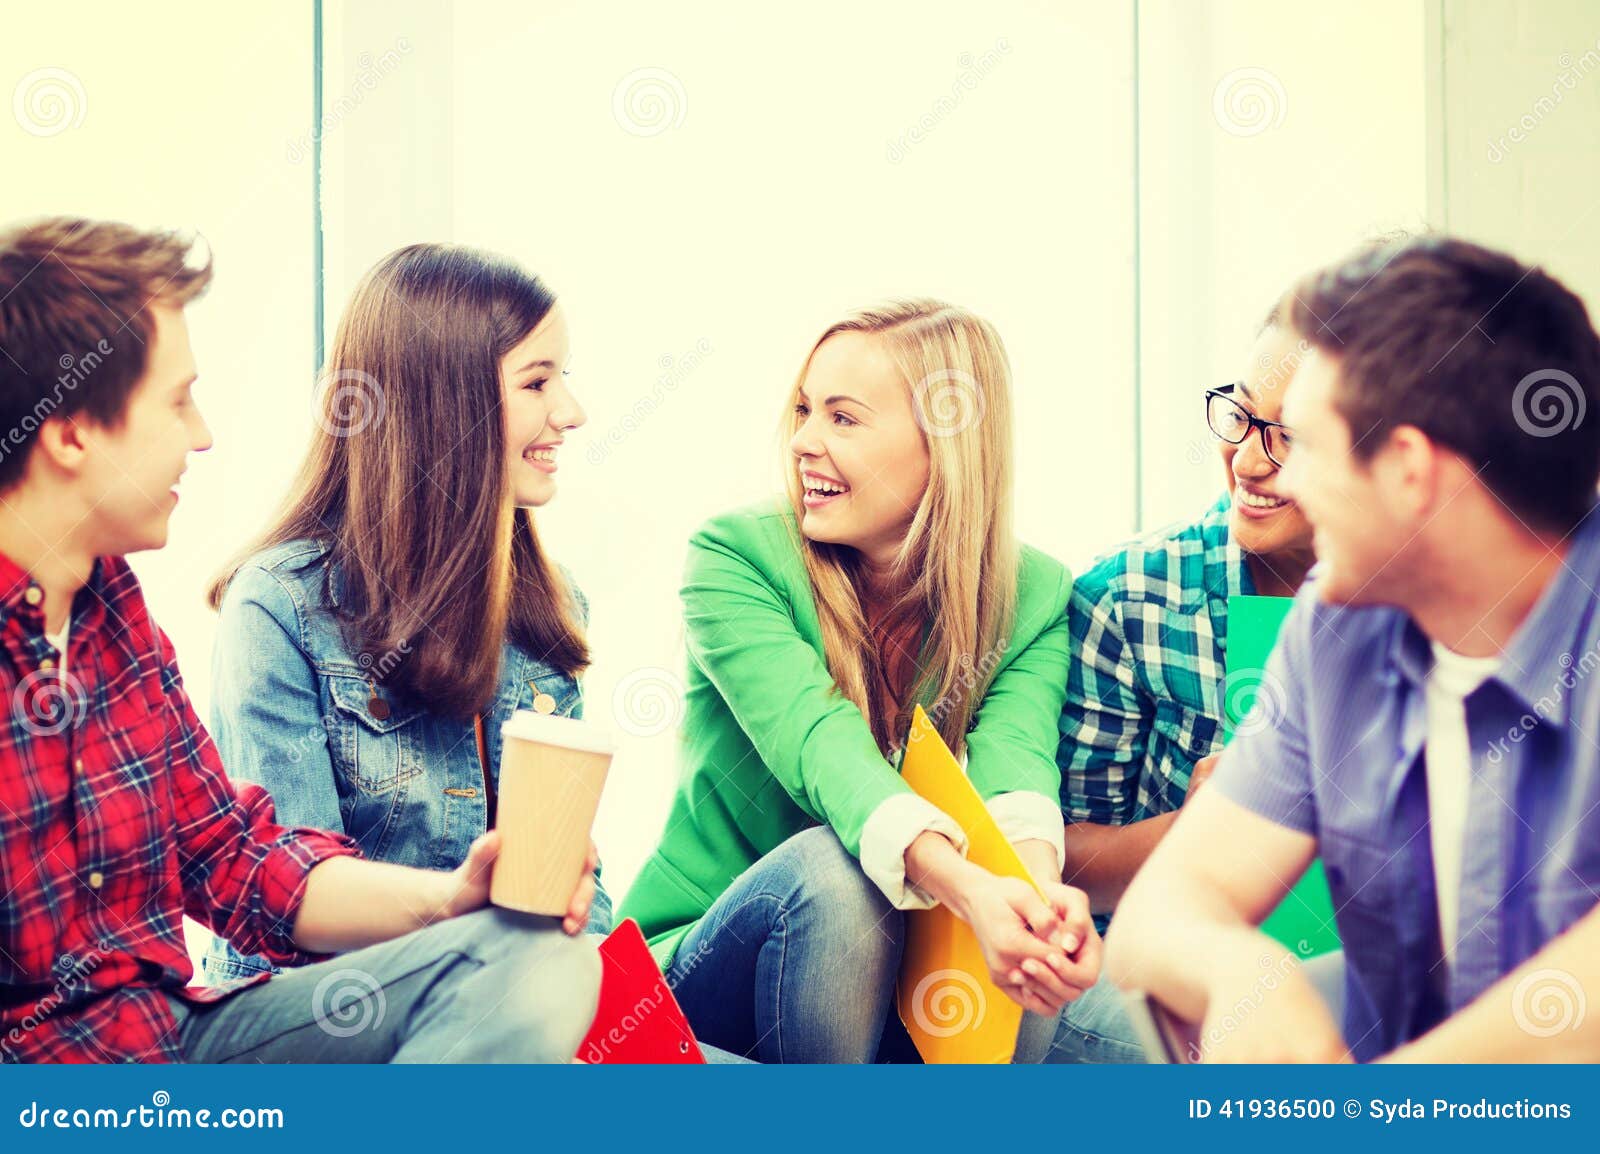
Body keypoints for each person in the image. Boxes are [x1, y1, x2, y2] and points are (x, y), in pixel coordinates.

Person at [0, 217, 598, 1063]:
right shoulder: (280, 603)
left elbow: (237, 859)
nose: (202, 434)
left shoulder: (114, 617)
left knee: (533, 955)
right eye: (176, 401)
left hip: (174, 1045)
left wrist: (451, 900)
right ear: (70, 432)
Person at [1105, 235, 1600, 1062]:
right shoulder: (1334, 634)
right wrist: (1239, 974)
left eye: (1303, 443)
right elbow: (1159, 917)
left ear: (1408, 469)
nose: (1281, 482)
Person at [620, 299, 1098, 1063]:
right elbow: (822, 747)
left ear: (947, 446)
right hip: (703, 960)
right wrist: (969, 889)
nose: (803, 441)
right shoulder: (735, 557)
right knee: (835, 872)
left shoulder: (1032, 592)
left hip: (894, 973)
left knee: (1028, 941)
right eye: (805, 410)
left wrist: (1033, 900)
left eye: (842, 419)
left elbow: (1017, 769)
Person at [200, 243, 608, 986]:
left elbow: (576, 893)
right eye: (538, 382)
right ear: (445, 404)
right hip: (352, 1024)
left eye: (564, 378)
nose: (571, 413)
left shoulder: (552, 605)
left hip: (521, 1001)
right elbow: (287, 919)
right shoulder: (279, 608)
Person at [1047, 311, 1317, 1062]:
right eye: (1239, 416)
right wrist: (1203, 831)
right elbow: (1056, 860)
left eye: (1290, 434)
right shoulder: (1131, 594)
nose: (1246, 461)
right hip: (1159, 985)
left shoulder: (1433, 603)